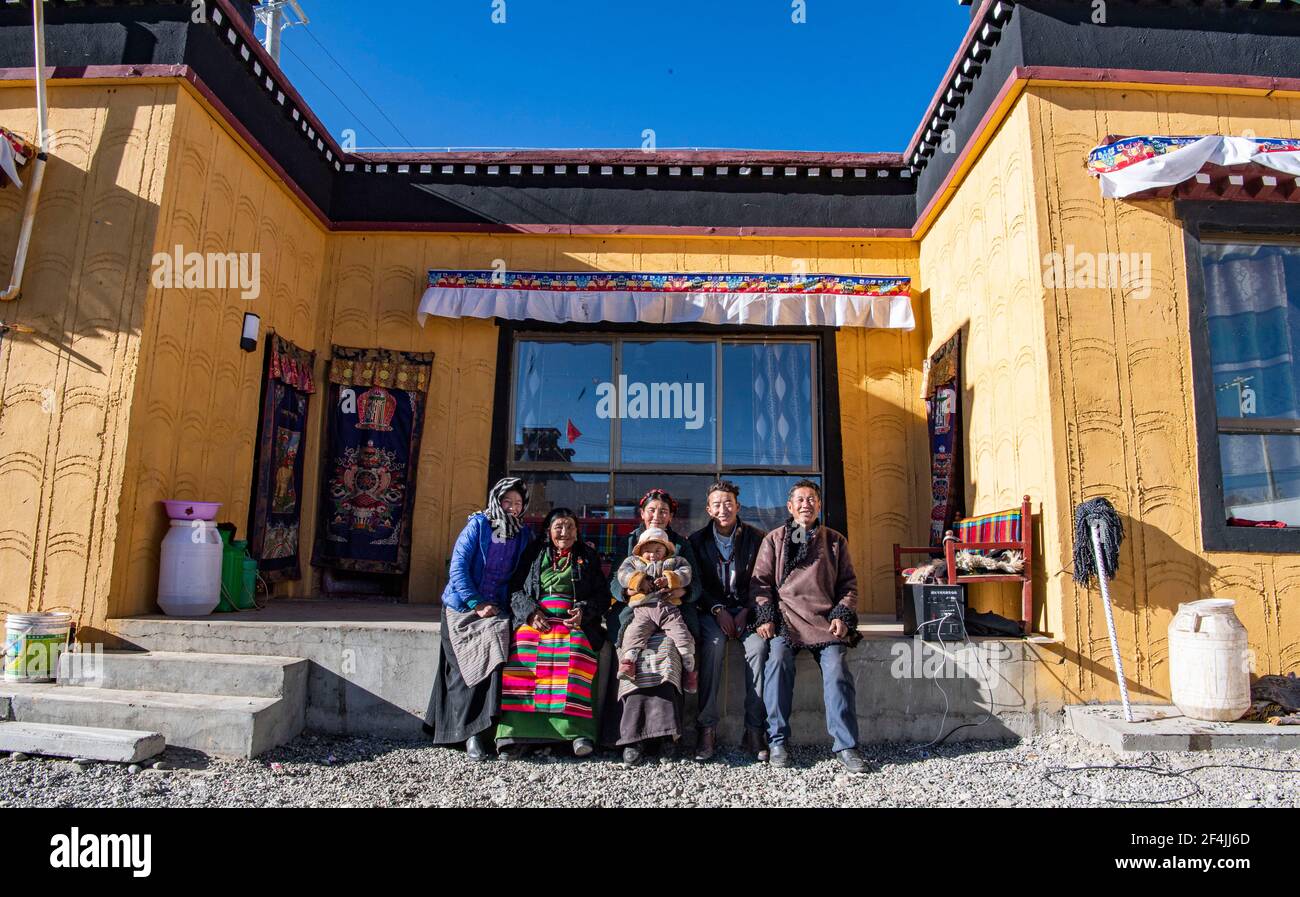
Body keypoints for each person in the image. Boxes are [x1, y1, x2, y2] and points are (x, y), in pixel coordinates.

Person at [751, 479, 870, 774]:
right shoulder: (774, 539)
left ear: (819, 505)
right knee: (776, 662)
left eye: (811, 499)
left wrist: (842, 615)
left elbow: (848, 585)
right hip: (787, 620)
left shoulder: (835, 540)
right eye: (800, 500)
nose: (806, 504)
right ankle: (777, 740)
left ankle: (846, 745)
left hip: (825, 622)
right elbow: (760, 583)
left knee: (837, 668)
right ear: (790, 507)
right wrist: (766, 616)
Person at [426, 477, 533, 761]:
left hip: (495, 610)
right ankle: (467, 734)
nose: (512, 508)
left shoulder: (523, 535)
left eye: (518, 503)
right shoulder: (478, 525)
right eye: (506, 502)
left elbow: (523, 576)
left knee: (499, 650)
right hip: (463, 607)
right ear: (496, 501)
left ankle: (489, 732)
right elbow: (458, 568)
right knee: (468, 663)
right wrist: (477, 603)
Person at [495, 507, 608, 758]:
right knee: (521, 652)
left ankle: (576, 732)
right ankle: (516, 734)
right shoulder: (533, 553)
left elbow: (602, 594)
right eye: (559, 527)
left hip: (573, 623)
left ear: (577, 531)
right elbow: (515, 589)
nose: (564, 532)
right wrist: (530, 613)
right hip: (538, 620)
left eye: (570, 527)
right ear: (549, 531)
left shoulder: (587, 555)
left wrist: (584, 611)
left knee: (577, 654)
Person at [601, 488, 702, 765]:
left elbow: (697, 585)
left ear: (671, 516)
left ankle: (665, 736)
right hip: (636, 616)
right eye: (652, 510)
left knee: (669, 655)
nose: (658, 515)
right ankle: (632, 737)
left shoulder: (681, 545)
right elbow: (614, 582)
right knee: (631, 657)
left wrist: (678, 592)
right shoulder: (629, 542)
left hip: (671, 614)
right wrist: (634, 590)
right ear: (642, 514)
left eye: (664, 511)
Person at [688, 480, 768, 762]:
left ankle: (754, 729)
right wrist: (717, 609)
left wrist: (748, 609)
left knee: (759, 650)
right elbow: (695, 585)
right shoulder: (696, 542)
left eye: (728, 503)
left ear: (738, 506)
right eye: (717, 504)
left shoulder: (758, 538)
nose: (724, 508)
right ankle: (706, 728)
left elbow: (763, 580)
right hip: (713, 611)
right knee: (712, 646)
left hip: (748, 610)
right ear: (709, 509)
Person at [615, 527, 697, 692]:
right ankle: (628, 663)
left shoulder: (674, 561)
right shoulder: (633, 562)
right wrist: (639, 581)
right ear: (640, 551)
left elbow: (686, 573)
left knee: (681, 634)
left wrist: (669, 579)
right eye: (647, 551)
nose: (652, 555)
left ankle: (689, 670)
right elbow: (622, 575)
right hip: (642, 609)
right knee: (634, 633)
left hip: (668, 608)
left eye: (657, 550)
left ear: (666, 550)